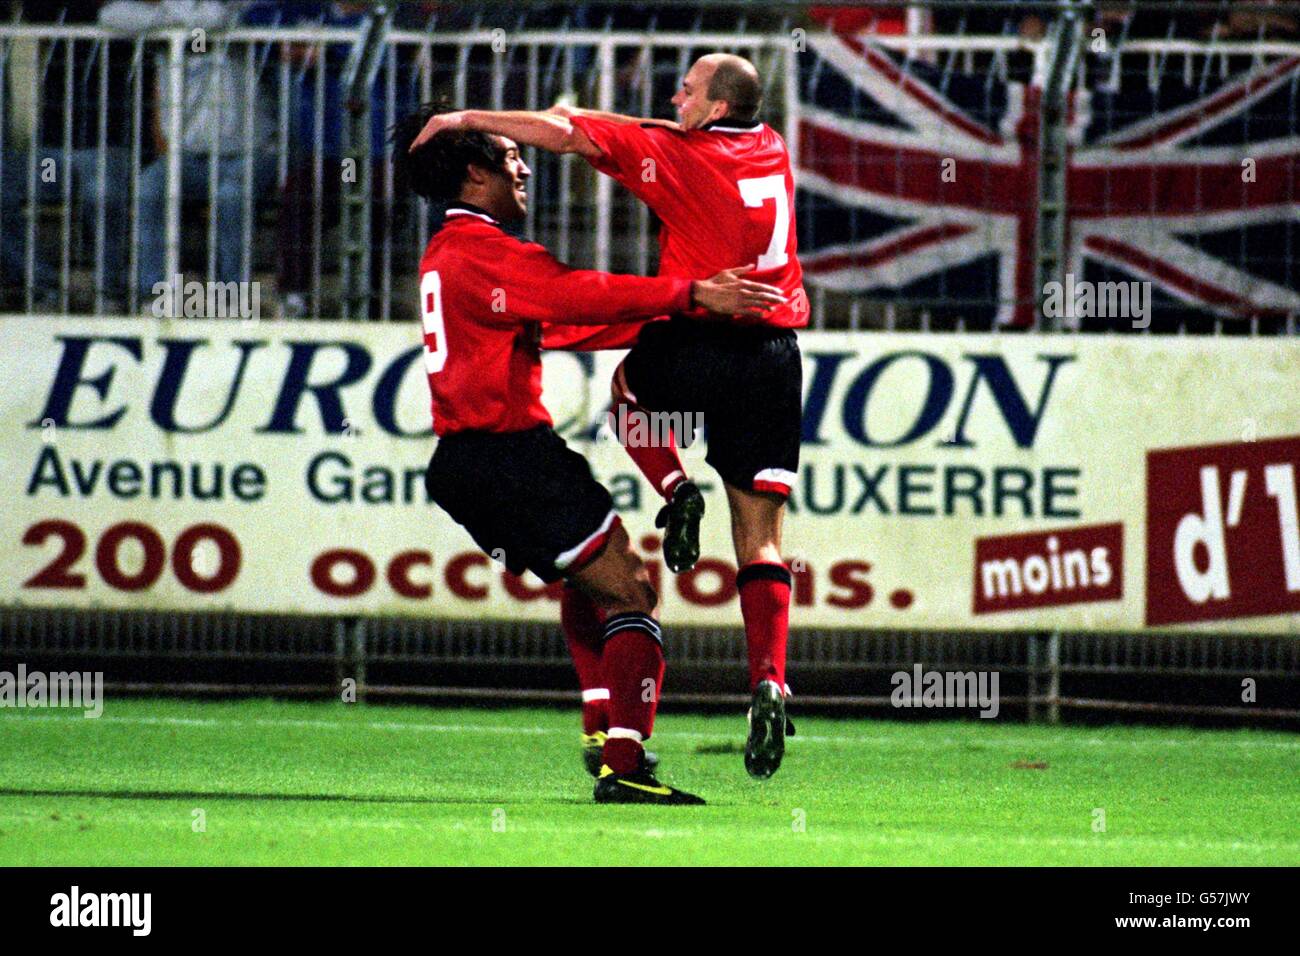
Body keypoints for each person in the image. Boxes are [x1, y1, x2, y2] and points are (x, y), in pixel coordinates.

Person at [410, 53, 808, 779]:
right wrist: (684, 296)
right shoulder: (773, 146)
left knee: (622, 441)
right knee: (698, 567)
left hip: (479, 454)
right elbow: (574, 296)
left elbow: (574, 140)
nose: (522, 168)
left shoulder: (448, 252)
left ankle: (673, 494)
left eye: (686, 89)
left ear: (714, 108)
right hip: (770, 350)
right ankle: (749, 690)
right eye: (508, 160)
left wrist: (470, 116)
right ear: (474, 178)